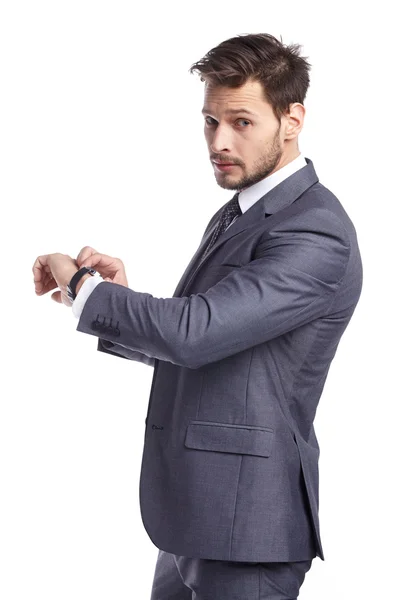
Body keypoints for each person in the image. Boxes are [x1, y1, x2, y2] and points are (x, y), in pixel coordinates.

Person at [33, 32, 363, 600]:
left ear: (293, 119)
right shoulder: (242, 212)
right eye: (210, 122)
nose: (220, 141)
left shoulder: (315, 230)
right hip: (196, 516)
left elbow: (191, 332)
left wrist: (79, 280)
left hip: (249, 530)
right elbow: (207, 336)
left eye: (241, 121)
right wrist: (110, 300)